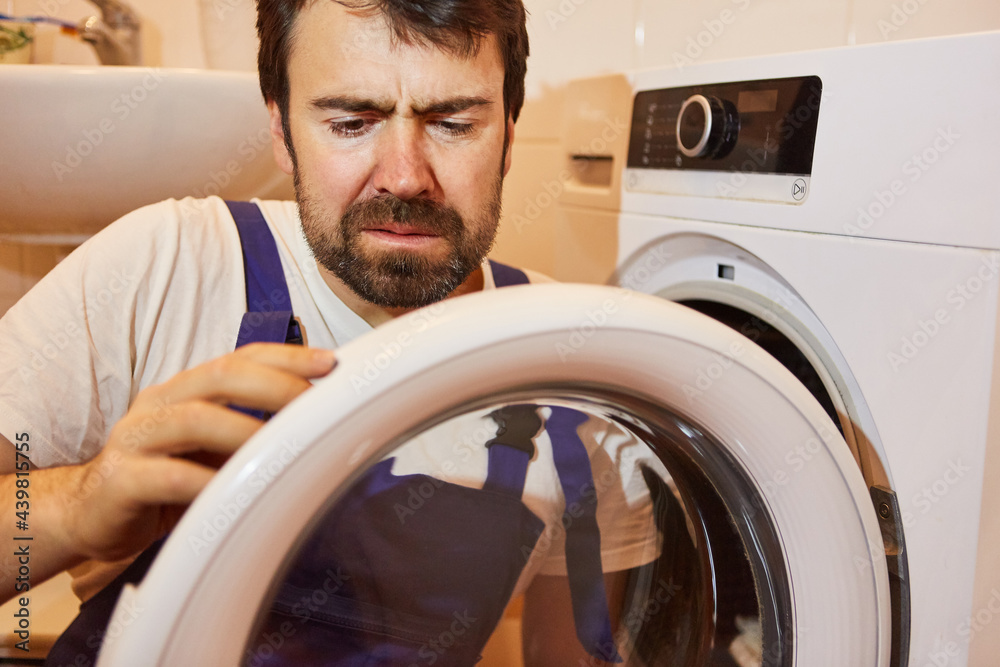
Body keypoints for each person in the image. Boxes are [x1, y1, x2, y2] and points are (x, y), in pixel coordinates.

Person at [0, 0, 660, 663]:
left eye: (454, 123)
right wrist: (73, 507)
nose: (405, 175)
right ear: (282, 130)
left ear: (509, 137)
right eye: (351, 122)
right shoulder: (166, 265)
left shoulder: (577, 370)